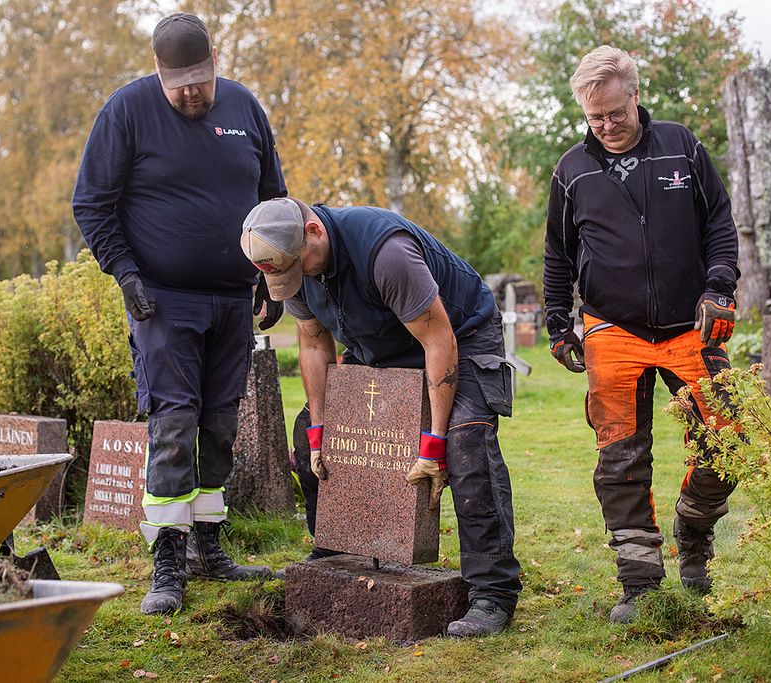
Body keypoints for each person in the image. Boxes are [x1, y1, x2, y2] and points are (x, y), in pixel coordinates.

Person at [72, 13, 287, 615]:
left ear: (214, 60)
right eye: (179, 85)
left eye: (200, 80)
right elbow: (90, 203)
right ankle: (167, 561)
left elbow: (273, 199)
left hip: (232, 299)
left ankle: (209, 549)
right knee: (173, 426)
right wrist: (126, 274)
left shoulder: (245, 109)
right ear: (159, 72)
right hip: (163, 299)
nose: (191, 94)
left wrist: (273, 273)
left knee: (221, 425)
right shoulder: (127, 111)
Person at [240, 197, 523, 637]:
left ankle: (492, 592)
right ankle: (334, 549)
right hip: (382, 346)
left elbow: (438, 340)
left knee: (465, 443)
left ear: (314, 231)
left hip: (458, 337)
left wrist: (432, 445)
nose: (303, 278)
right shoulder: (294, 266)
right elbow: (315, 344)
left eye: (302, 266)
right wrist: (319, 432)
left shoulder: (385, 252)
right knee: (308, 434)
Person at [543, 45, 740, 623]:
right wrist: (559, 322)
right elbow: (558, 253)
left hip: (690, 324)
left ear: (635, 95)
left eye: (614, 113)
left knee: (732, 439)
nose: (605, 125)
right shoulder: (572, 170)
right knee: (620, 456)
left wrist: (720, 288)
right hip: (611, 324)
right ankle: (639, 582)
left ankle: (694, 527)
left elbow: (721, 224)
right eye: (593, 116)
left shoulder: (682, 145)